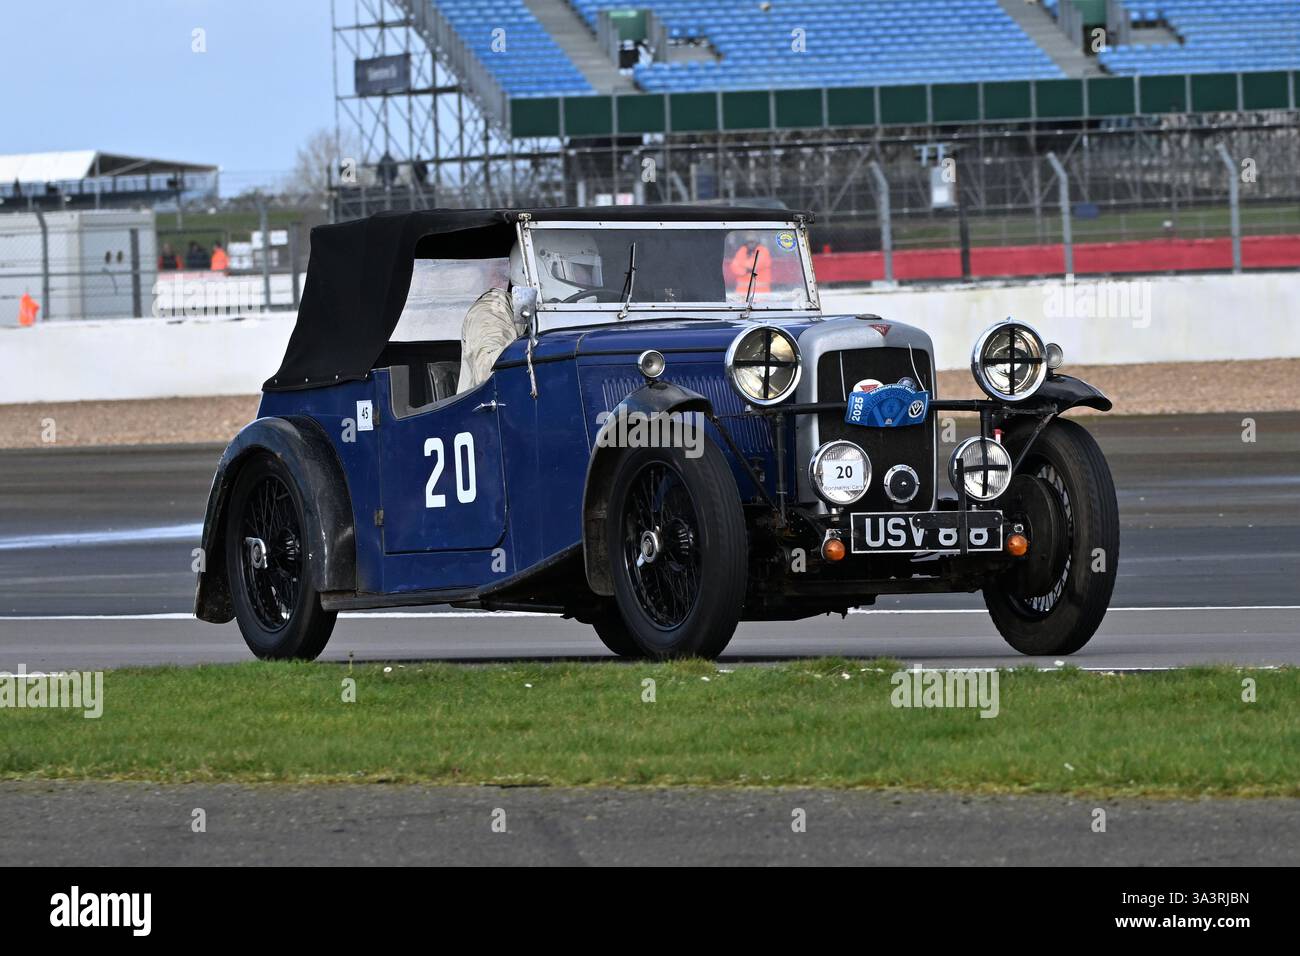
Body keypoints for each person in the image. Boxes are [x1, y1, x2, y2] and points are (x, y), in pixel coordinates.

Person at [728, 232, 771, 298]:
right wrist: (745, 271)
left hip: (761, 293)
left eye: (753, 241)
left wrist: (742, 264)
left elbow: (756, 264)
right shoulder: (741, 251)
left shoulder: (763, 251)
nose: (751, 244)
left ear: (757, 241)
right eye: (748, 241)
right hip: (742, 294)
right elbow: (734, 267)